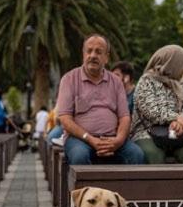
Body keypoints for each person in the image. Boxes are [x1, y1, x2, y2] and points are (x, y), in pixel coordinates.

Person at [57, 34, 144, 165]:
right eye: (89, 51)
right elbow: (64, 118)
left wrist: (118, 140)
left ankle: (128, 187)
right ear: (83, 54)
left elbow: (125, 117)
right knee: (79, 156)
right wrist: (90, 139)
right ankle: (85, 187)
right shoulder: (69, 79)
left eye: (98, 52)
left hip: (112, 139)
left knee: (136, 154)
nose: (93, 55)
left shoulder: (116, 82)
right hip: (80, 139)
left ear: (106, 58)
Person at [130, 45, 183, 164]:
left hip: (177, 132)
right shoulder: (146, 81)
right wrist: (176, 117)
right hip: (146, 132)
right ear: (172, 64)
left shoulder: (181, 84)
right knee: (153, 154)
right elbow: (151, 111)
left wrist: (181, 121)